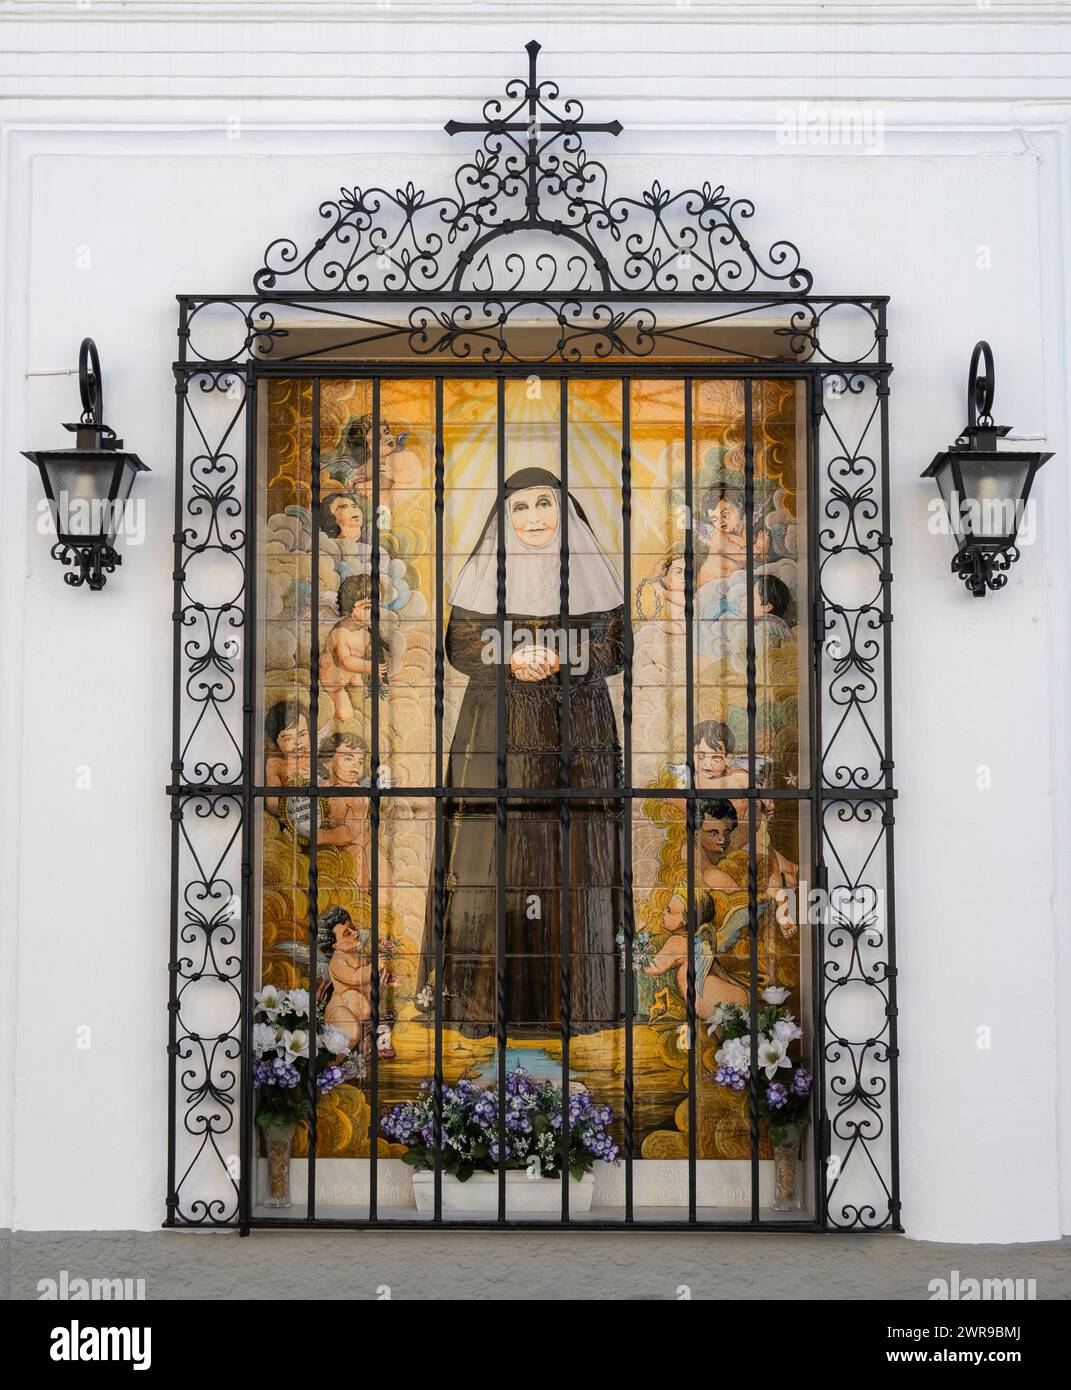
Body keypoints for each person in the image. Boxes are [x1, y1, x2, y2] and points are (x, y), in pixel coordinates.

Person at [418, 467, 625, 1035]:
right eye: (520, 508)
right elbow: (459, 644)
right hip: (496, 730)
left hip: (576, 733)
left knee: (574, 855)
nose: (533, 518)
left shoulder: (589, 571)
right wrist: (510, 659)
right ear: (503, 518)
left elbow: (617, 644)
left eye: (543, 505)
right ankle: (483, 1007)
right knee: (492, 854)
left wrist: (559, 656)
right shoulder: (486, 571)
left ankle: (579, 1003)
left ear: (563, 510)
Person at [318, 906, 396, 1056]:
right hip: (341, 1012)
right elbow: (355, 977)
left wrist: (388, 978)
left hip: (360, 1013)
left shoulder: (356, 954)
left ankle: (354, 1057)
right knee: (351, 1033)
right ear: (335, 945)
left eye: (353, 928)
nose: (355, 933)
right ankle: (335, 1063)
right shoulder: (336, 962)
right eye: (347, 933)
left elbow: (371, 975)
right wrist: (374, 966)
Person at [319, 575, 391, 722]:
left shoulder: (365, 631)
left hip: (351, 675)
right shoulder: (340, 632)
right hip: (334, 682)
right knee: (346, 715)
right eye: (368, 607)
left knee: (368, 700)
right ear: (349, 607)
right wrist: (371, 666)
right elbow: (345, 661)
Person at [696, 485, 770, 585]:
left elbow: (756, 558)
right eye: (714, 519)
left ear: (739, 506)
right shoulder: (719, 537)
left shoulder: (745, 530)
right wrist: (757, 547)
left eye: (725, 515)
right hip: (711, 585)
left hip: (732, 582)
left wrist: (762, 549)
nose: (721, 522)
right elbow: (739, 555)